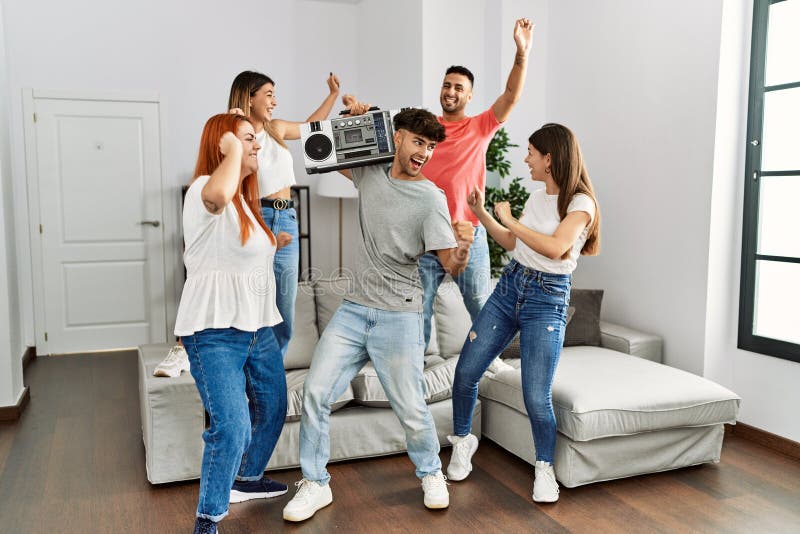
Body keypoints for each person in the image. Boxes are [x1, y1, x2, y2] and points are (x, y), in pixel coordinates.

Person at [282, 108, 475, 522]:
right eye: (418, 141)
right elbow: (324, 152)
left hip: (400, 316)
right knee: (316, 392)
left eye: (431, 145)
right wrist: (359, 116)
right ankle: (316, 483)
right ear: (398, 137)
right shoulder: (370, 174)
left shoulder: (431, 198)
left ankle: (430, 473)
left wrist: (462, 247)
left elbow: (449, 265)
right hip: (353, 310)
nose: (424, 151)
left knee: (410, 407)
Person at [445, 123, 600, 504]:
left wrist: (511, 218)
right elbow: (513, 242)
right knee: (466, 372)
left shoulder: (581, 204)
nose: (525, 159)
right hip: (510, 287)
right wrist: (482, 212)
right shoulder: (536, 197)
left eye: (531, 152)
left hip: (547, 299)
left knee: (536, 395)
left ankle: (544, 469)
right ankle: (463, 443)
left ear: (549, 158)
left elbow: (557, 249)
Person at [176, 113, 292, 534]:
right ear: (223, 145)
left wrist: (271, 243)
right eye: (248, 139)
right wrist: (231, 148)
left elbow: (235, 249)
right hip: (214, 333)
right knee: (232, 425)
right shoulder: (203, 191)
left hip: (257, 327)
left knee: (275, 406)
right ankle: (208, 520)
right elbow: (215, 198)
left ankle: (246, 477)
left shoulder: (244, 199)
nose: (256, 145)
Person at [419, 18, 534, 372]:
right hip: (428, 235)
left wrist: (521, 52)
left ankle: (493, 360)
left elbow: (512, 95)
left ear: (469, 95)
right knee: (418, 305)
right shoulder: (424, 130)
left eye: (458, 87)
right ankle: (419, 363)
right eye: (446, 85)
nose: (450, 91)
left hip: (470, 231)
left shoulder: (480, 126)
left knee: (480, 303)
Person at [227, 71, 351, 358]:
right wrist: (231, 126)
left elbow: (312, 127)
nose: (274, 101)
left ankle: (273, 374)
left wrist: (332, 94)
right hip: (255, 218)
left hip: (287, 219)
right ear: (248, 97)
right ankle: (247, 371)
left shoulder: (276, 129)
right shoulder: (233, 134)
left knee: (284, 309)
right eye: (268, 94)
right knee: (252, 303)